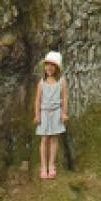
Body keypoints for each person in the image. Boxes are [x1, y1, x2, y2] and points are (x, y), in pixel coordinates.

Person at [34, 50, 68, 179]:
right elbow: (37, 99)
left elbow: (64, 98)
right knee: (44, 139)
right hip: (44, 114)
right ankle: (43, 166)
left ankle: (51, 165)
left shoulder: (61, 81)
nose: (49, 67)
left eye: (52, 65)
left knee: (54, 139)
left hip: (56, 113)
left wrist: (64, 113)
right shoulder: (42, 82)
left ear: (57, 68)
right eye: (47, 64)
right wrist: (37, 115)